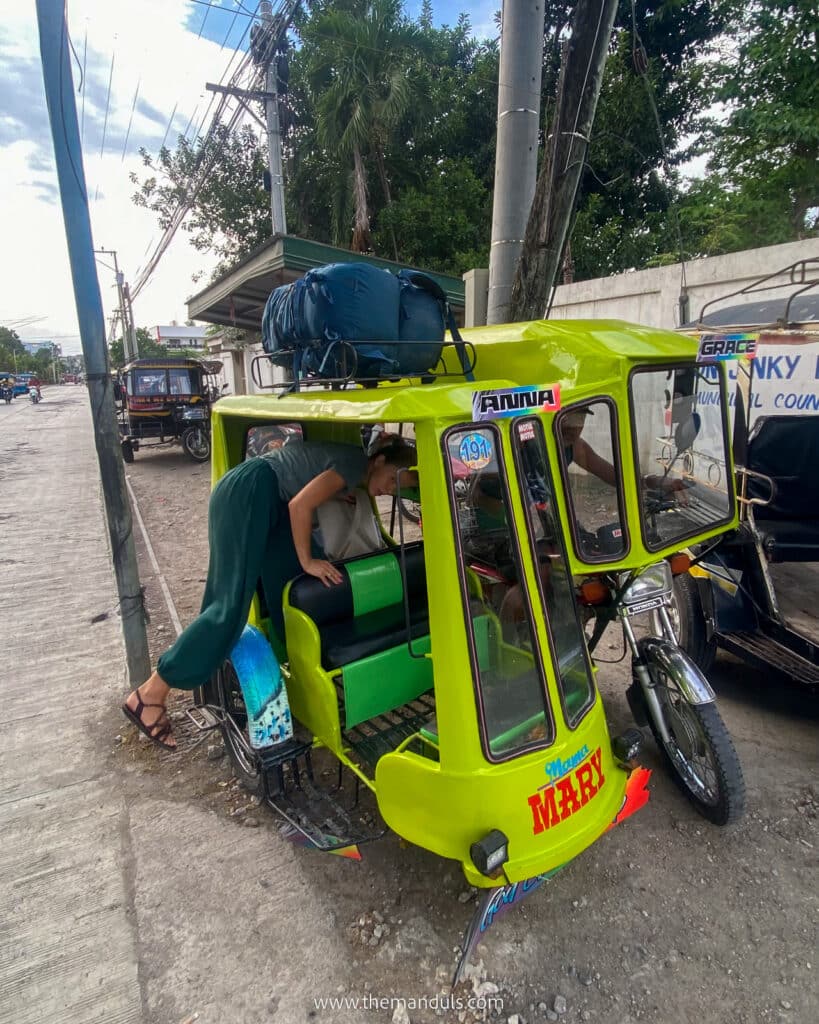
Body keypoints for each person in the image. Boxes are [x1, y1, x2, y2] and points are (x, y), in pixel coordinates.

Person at [122, 439, 418, 750]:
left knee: (287, 590)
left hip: (269, 499)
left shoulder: (355, 471)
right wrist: (309, 560)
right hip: (251, 491)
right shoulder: (355, 462)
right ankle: (151, 693)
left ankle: (295, 677)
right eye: (393, 478)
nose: (392, 489)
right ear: (380, 460)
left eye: (401, 487)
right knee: (229, 608)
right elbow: (299, 505)